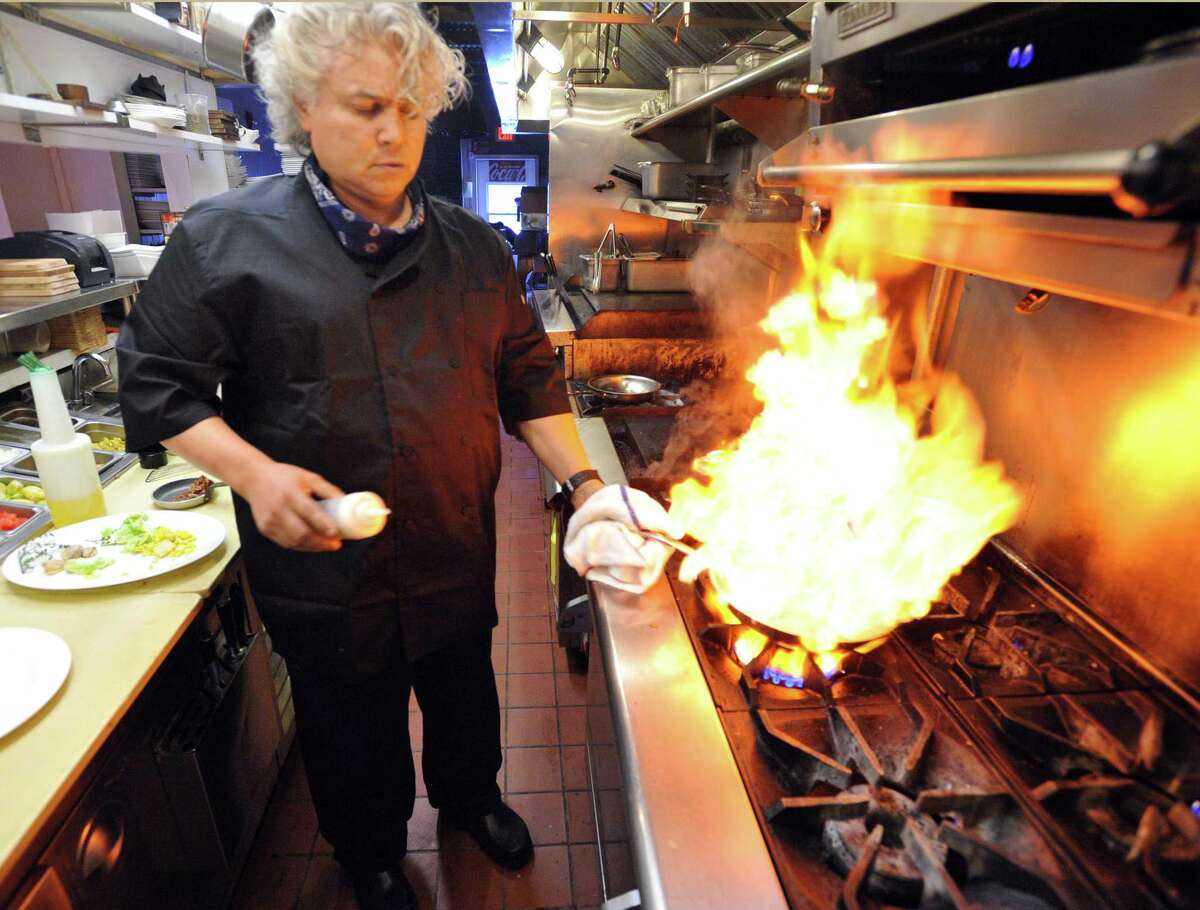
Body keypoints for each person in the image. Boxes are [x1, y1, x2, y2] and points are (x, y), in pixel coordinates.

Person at [116, 5, 672, 909]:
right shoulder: (223, 242)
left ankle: (471, 800)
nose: (393, 132)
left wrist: (586, 488)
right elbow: (156, 386)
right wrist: (253, 474)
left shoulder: (475, 252)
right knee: (347, 727)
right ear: (301, 106)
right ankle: (369, 853)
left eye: (411, 109)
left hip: (450, 546)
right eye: (365, 106)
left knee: (464, 697)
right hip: (323, 570)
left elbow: (528, 380)